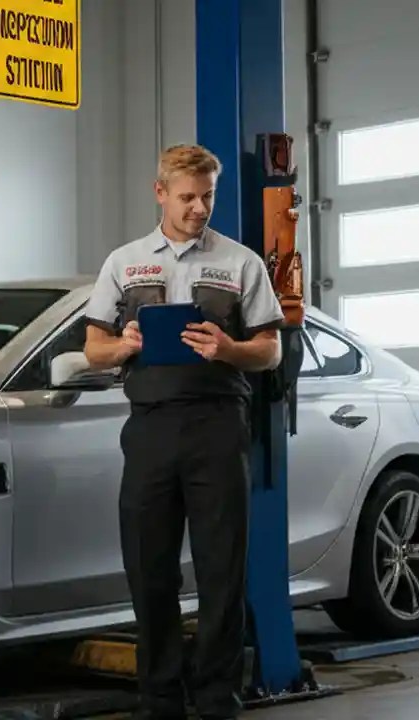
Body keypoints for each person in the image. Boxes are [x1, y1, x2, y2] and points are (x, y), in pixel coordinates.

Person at [82, 144, 285, 720]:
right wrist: (122, 345)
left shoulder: (241, 262)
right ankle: (160, 700)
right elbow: (92, 348)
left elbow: (270, 351)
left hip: (217, 426)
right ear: (161, 193)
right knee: (150, 571)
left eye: (208, 197)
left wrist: (230, 348)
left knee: (222, 572)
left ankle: (219, 699)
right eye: (188, 197)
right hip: (149, 427)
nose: (199, 208)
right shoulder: (124, 262)